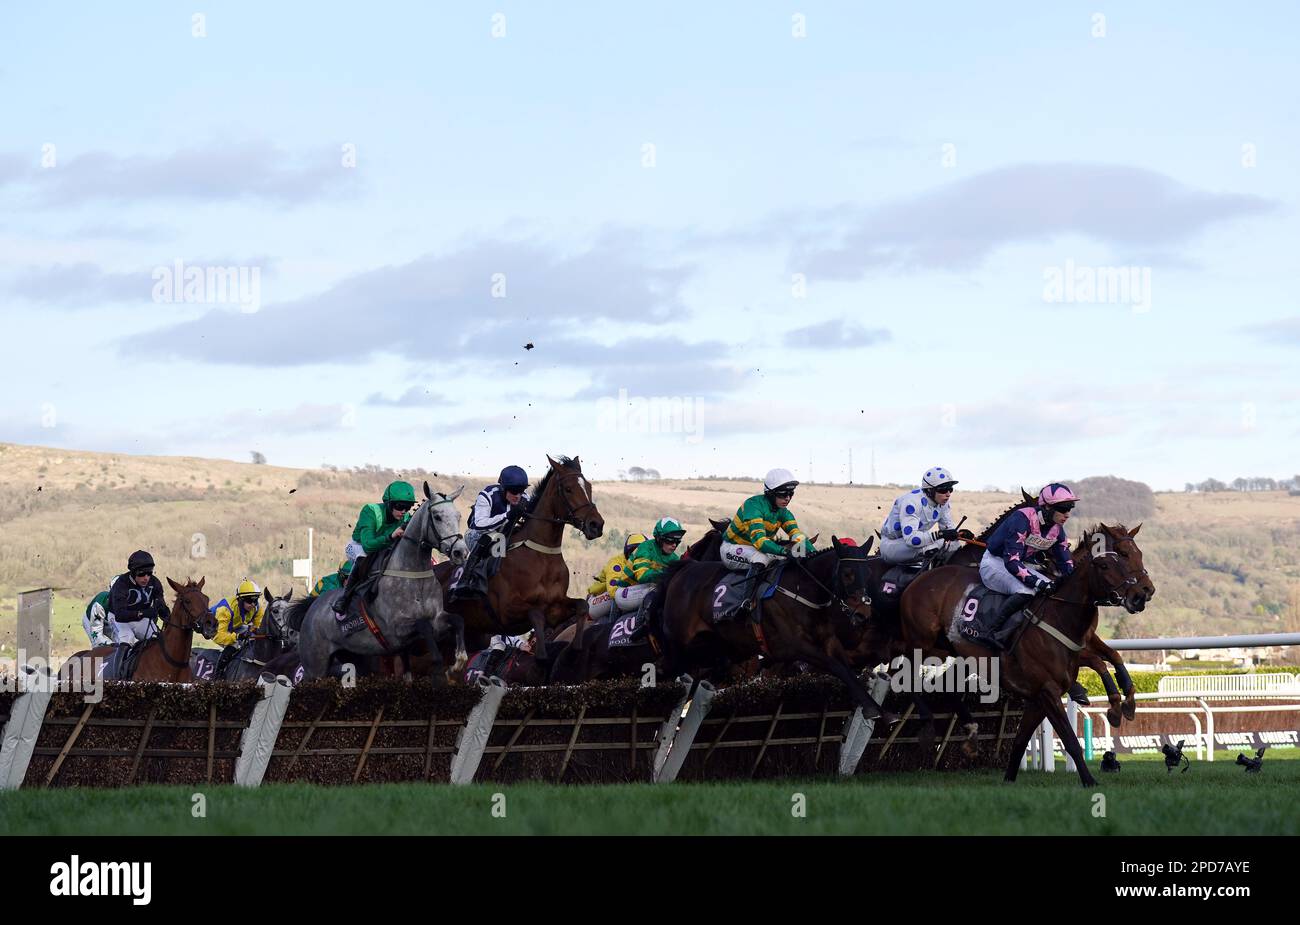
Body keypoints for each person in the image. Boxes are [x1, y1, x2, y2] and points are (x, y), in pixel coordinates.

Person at [981, 483, 1078, 632]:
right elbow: (1012, 561)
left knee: (1053, 590)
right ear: (1047, 507)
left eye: (1070, 508)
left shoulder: (1057, 528)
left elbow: (1066, 563)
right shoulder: (1022, 518)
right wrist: (1037, 582)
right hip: (995, 562)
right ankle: (991, 631)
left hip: (1019, 565)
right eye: (1063, 508)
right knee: (1027, 591)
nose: (1067, 514)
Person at [718, 469, 816, 616]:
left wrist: (813, 553)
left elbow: (797, 535)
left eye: (791, 494)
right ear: (770, 493)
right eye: (783, 494)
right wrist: (785, 552)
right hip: (732, 548)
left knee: (783, 560)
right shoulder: (753, 506)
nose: (788, 498)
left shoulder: (783, 512)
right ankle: (746, 602)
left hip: (755, 549)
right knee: (762, 558)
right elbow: (760, 542)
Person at [333, 481, 416, 617]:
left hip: (383, 546)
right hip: (359, 545)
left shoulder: (406, 517)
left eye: (408, 507)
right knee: (362, 557)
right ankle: (344, 598)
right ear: (388, 503)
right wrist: (390, 536)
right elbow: (368, 545)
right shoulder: (370, 511)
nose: (404, 511)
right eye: (400, 506)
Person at [450, 465, 531, 601]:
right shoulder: (487, 495)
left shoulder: (525, 498)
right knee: (496, 538)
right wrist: (507, 516)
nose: (518, 495)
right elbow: (479, 524)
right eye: (514, 491)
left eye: (521, 491)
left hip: (505, 535)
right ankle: (466, 580)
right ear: (503, 488)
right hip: (476, 534)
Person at [879, 466, 973, 564]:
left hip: (918, 544)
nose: (948, 494)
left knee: (954, 544)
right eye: (943, 490)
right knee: (931, 547)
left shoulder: (943, 503)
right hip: (892, 545)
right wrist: (940, 534)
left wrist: (959, 534)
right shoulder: (911, 502)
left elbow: (948, 530)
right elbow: (912, 539)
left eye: (950, 489)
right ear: (929, 490)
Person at [612, 519, 685, 615]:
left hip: (642, 591)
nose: (674, 545)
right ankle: (641, 622)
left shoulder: (675, 558)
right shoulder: (645, 547)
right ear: (659, 538)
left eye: (677, 541)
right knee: (656, 589)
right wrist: (666, 573)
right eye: (670, 540)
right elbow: (642, 576)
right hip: (625, 591)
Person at [106, 550, 170, 645]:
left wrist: (167, 616)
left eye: (149, 573)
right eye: (141, 574)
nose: (146, 578)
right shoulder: (121, 584)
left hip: (140, 619)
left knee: (158, 640)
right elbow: (120, 615)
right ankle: (120, 660)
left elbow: (161, 608)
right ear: (133, 572)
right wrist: (142, 613)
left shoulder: (155, 583)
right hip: (118, 619)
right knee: (127, 640)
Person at [586, 532, 646, 620]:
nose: (636, 557)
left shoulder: (648, 563)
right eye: (632, 552)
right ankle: (611, 626)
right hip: (597, 600)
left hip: (621, 593)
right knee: (619, 595)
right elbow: (613, 590)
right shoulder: (616, 563)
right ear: (627, 552)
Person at [213, 579, 266, 676]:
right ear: (240, 600)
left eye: (255, 600)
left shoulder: (257, 608)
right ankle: (218, 675)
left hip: (235, 626)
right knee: (235, 644)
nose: (253, 604)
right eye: (250, 601)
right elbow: (219, 636)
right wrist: (237, 637)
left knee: (252, 638)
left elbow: (258, 628)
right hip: (214, 628)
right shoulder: (225, 609)